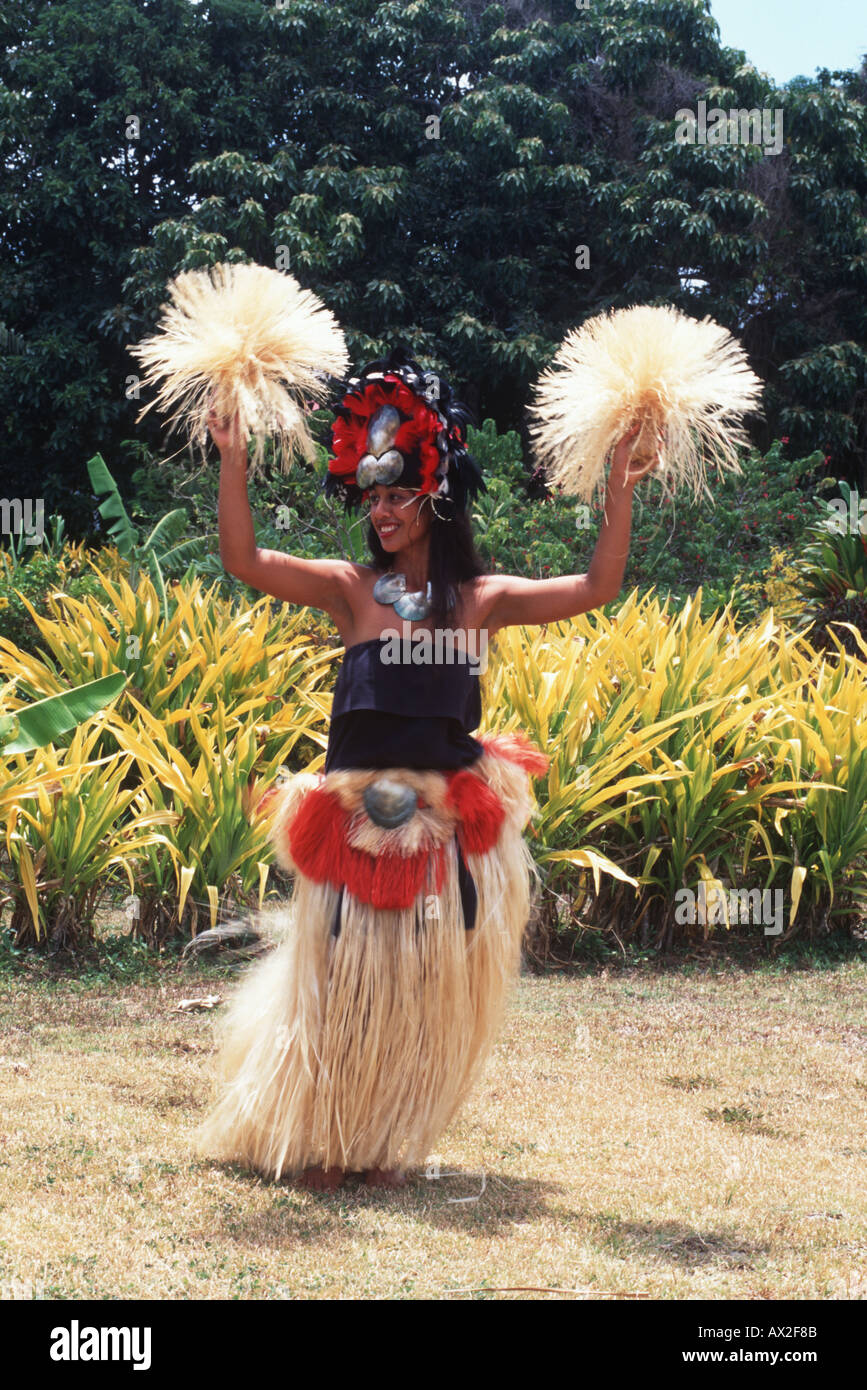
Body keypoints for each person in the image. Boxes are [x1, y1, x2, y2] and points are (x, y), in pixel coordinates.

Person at [197, 349, 657, 1190]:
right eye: (371, 498)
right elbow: (245, 561)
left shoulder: (481, 601)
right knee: (336, 993)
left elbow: (599, 584)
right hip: (351, 830)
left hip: (441, 835)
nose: (381, 511)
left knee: (413, 1001)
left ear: (434, 495)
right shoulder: (349, 590)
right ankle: (325, 1139)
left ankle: (388, 1143)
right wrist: (233, 461)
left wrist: (619, 487)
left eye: (397, 494)